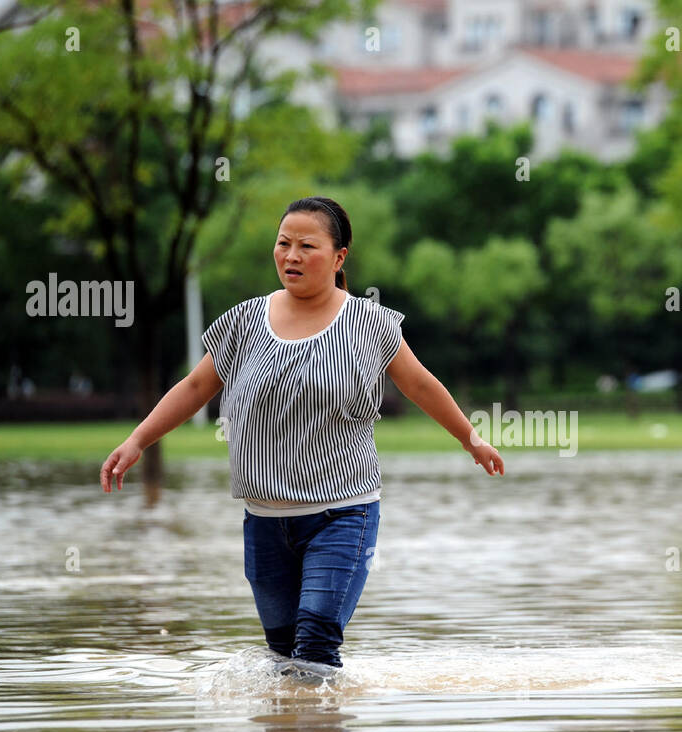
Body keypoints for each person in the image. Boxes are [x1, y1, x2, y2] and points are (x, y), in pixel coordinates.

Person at [100, 196, 504, 677]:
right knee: (282, 656)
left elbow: (419, 383)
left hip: (342, 514)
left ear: (339, 258)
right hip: (264, 522)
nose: (290, 255)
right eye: (283, 243)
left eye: (306, 246)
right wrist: (138, 440)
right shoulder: (244, 321)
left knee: (314, 644)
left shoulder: (369, 323)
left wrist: (469, 438)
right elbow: (194, 387)